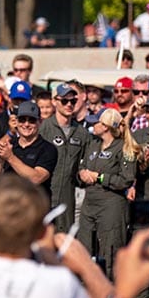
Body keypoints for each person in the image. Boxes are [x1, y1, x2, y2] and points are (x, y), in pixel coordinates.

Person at [77, 108, 139, 278]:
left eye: (96, 122)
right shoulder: (93, 144)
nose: (92, 125)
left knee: (110, 251)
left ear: (105, 126)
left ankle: (112, 289)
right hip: (89, 203)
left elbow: (126, 179)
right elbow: (82, 165)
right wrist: (82, 173)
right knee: (84, 247)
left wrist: (101, 177)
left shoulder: (124, 148)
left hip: (111, 204)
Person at [38, 84, 92, 231]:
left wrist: (83, 174)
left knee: (64, 239)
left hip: (68, 197)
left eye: (73, 101)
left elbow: (84, 164)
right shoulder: (44, 128)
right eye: (64, 101)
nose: (69, 105)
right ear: (55, 101)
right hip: (44, 194)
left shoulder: (82, 133)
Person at [0, 101, 57, 199]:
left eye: (32, 120)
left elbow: (36, 178)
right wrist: (0, 160)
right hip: (8, 206)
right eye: (22, 120)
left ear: (40, 122)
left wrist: (10, 157)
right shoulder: (10, 145)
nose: (26, 124)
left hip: (34, 208)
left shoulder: (47, 149)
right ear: (16, 122)